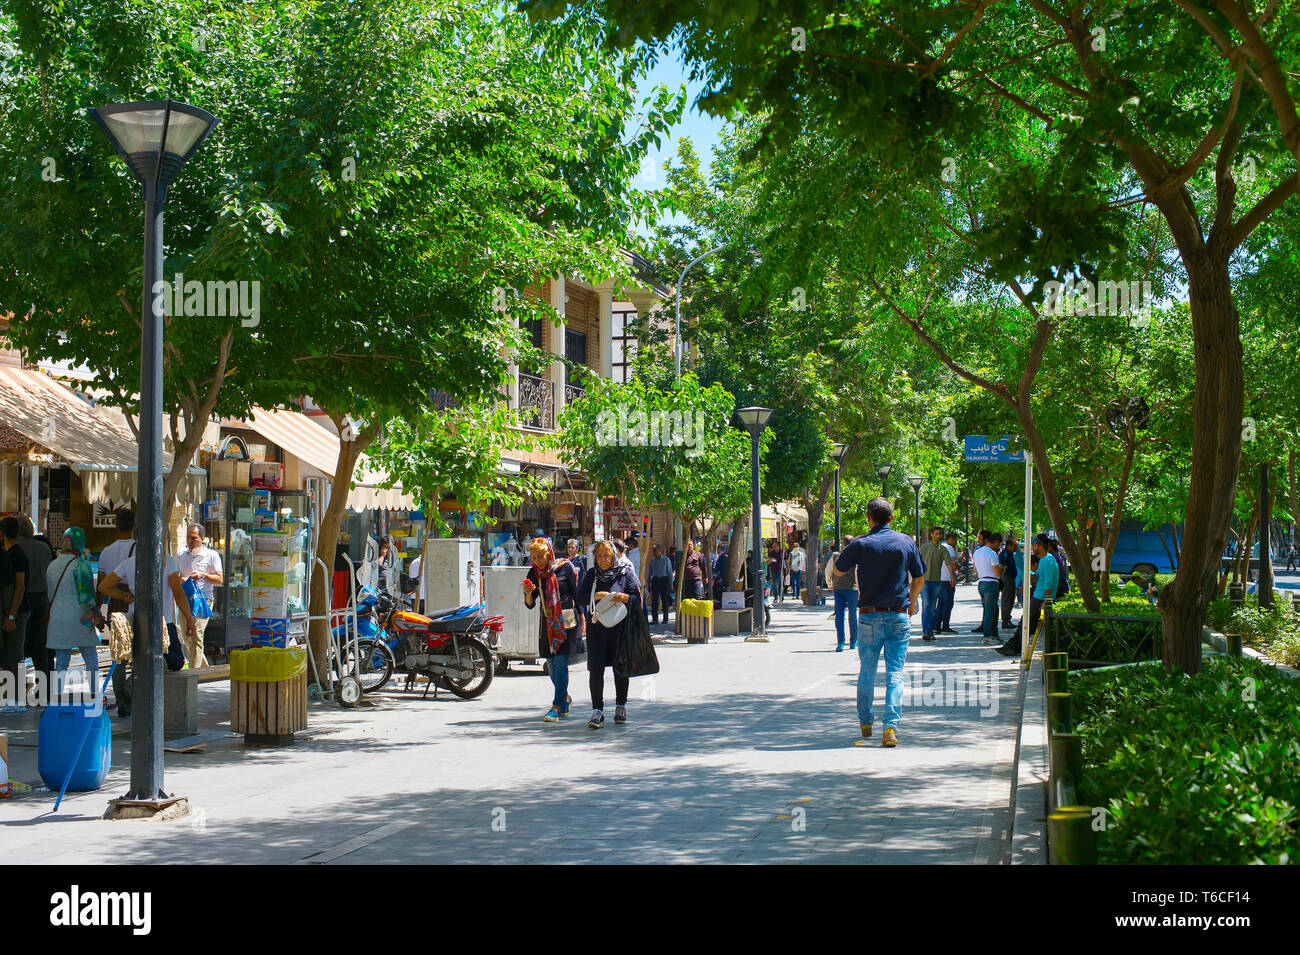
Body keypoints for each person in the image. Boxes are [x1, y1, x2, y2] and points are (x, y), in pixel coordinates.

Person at [835, 497, 925, 748]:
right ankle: (890, 728)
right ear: (892, 518)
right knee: (895, 672)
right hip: (898, 613)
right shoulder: (905, 542)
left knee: (867, 671)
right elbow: (919, 578)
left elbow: (839, 570)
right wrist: (912, 600)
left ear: (868, 517)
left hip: (869, 615)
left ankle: (865, 722)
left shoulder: (860, 544)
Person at [97, 544, 195, 716]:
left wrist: (125, 597)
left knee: (124, 658)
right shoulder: (167, 562)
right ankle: (128, 690)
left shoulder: (130, 563)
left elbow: (103, 586)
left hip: (136, 620)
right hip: (163, 622)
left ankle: (124, 700)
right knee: (175, 660)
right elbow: (178, 592)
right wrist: (189, 619)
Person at [577, 539, 641, 728]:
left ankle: (621, 706)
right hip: (597, 629)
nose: (603, 559)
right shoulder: (591, 575)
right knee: (595, 669)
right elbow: (580, 597)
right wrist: (594, 596)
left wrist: (623, 597)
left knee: (620, 668)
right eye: (599, 556)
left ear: (614, 555)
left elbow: (637, 598)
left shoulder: (624, 573)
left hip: (619, 629)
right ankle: (597, 710)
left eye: (606, 555)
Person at [521, 537, 582, 722]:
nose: (538, 560)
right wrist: (528, 593)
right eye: (534, 557)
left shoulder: (565, 567)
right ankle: (565, 698)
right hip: (546, 623)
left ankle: (556, 707)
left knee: (561, 664)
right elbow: (530, 605)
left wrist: (583, 618)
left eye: (541, 556)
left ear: (549, 553)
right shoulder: (534, 573)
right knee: (552, 666)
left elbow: (575, 593)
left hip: (565, 622)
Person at [45, 527, 101, 698]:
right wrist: (97, 616)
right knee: (90, 658)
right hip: (80, 619)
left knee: (61, 662)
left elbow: (50, 595)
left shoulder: (52, 565)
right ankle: (94, 694)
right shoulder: (80, 565)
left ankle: (57, 697)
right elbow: (88, 597)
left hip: (58, 619)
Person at [997, 534, 1059, 656]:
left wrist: (1046, 601)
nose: (1033, 548)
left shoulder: (1047, 561)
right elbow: (1039, 578)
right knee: (1024, 623)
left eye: (1034, 545)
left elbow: (1049, 583)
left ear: (1040, 546)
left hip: (1040, 598)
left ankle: (1013, 647)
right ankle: (1013, 646)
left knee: (1025, 623)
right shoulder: (1044, 560)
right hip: (1038, 597)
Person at [176, 522, 222, 669]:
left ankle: (194, 674)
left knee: (196, 636)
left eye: (194, 538)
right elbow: (175, 575)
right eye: (188, 538)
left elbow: (219, 579)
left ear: (202, 539)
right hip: (185, 600)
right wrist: (181, 579)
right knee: (186, 637)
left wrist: (203, 575)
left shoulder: (212, 555)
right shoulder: (181, 555)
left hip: (203, 600)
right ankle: (204, 668)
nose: (190, 541)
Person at [17, 514, 54, 682]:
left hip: (24, 599)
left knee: (19, 645)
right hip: (43, 599)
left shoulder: (16, 548)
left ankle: (15, 686)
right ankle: (43, 687)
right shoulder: (44, 548)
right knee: (41, 647)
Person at [0, 517, 32, 708]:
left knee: (14, 654)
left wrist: (11, 615)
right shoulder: (10, 553)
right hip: (12, 612)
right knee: (9, 655)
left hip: (17, 612)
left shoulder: (16, 555)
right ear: (18, 532)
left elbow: (19, 587)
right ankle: (9, 696)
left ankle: (15, 698)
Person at [826, 534, 859, 651]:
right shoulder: (856, 556)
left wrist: (830, 583)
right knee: (853, 615)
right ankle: (853, 642)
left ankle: (840, 642)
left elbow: (828, 570)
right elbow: (859, 572)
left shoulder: (836, 555)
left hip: (838, 588)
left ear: (843, 544)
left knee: (839, 615)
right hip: (853, 588)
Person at [918, 526, 949, 641]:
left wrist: (952, 576)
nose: (938, 536)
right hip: (924, 581)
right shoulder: (925, 547)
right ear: (931, 534)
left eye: (940, 534)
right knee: (926, 605)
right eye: (936, 534)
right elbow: (917, 561)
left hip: (936, 582)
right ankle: (926, 631)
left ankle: (930, 630)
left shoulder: (943, 549)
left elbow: (949, 563)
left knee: (932, 608)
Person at [973, 531, 1003, 645]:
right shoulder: (992, 554)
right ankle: (987, 635)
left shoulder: (977, 552)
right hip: (991, 583)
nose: (998, 546)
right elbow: (996, 571)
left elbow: (975, 570)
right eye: (998, 544)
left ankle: (993, 634)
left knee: (989, 609)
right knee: (990, 611)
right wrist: (1002, 568)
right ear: (995, 542)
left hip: (981, 582)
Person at [937, 531, 959, 634]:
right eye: (955, 540)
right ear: (950, 539)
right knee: (948, 603)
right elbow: (952, 564)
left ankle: (936, 625)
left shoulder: (939, 546)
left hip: (938, 579)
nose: (956, 543)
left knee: (941, 603)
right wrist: (953, 576)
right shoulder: (949, 548)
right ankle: (945, 625)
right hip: (947, 579)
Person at [646, 543, 673, 625]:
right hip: (655, 581)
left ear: (660, 551)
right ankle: (655, 619)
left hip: (664, 580)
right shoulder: (652, 561)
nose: (654, 553)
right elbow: (650, 573)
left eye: (656, 551)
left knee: (664, 600)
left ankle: (665, 618)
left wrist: (671, 583)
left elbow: (669, 572)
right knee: (654, 601)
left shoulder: (666, 559)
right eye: (653, 551)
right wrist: (648, 583)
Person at [999, 537, 1020, 630]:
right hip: (1007, 579)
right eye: (1014, 545)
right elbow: (1003, 567)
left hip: (1011, 579)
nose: (1016, 547)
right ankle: (1005, 620)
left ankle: (1007, 619)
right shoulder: (1005, 554)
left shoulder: (1010, 554)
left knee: (1011, 599)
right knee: (1007, 599)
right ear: (1009, 545)